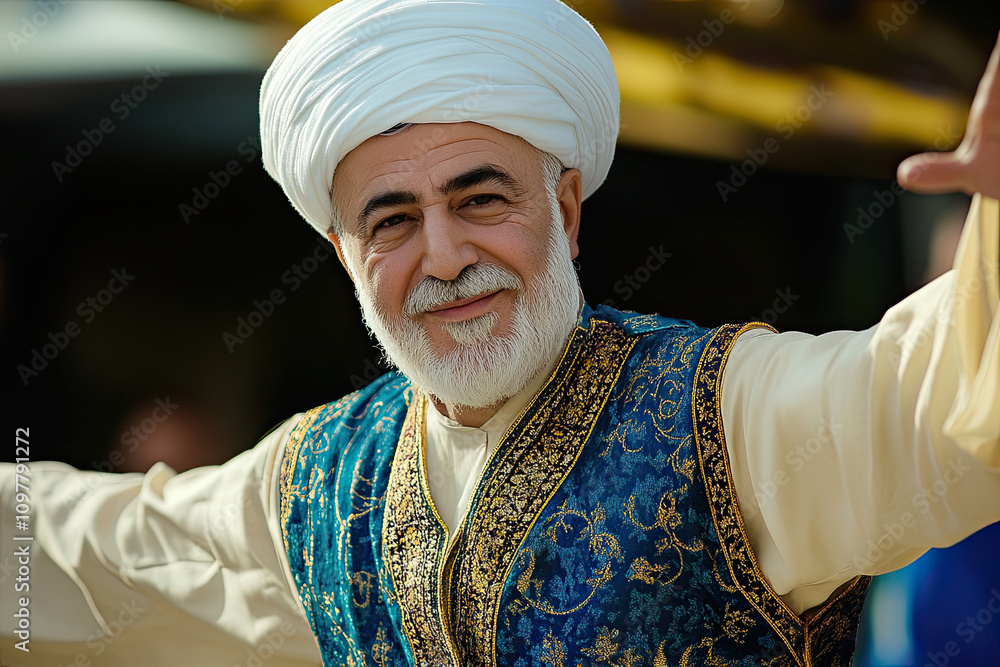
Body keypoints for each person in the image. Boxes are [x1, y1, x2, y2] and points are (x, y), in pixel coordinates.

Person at [2, 0, 999, 665]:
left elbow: (941, 392)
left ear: (564, 207)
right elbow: (78, 557)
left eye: (480, 199)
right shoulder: (317, 486)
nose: (441, 255)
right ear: (346, 254)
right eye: (391, 221)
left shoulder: (730, 420)